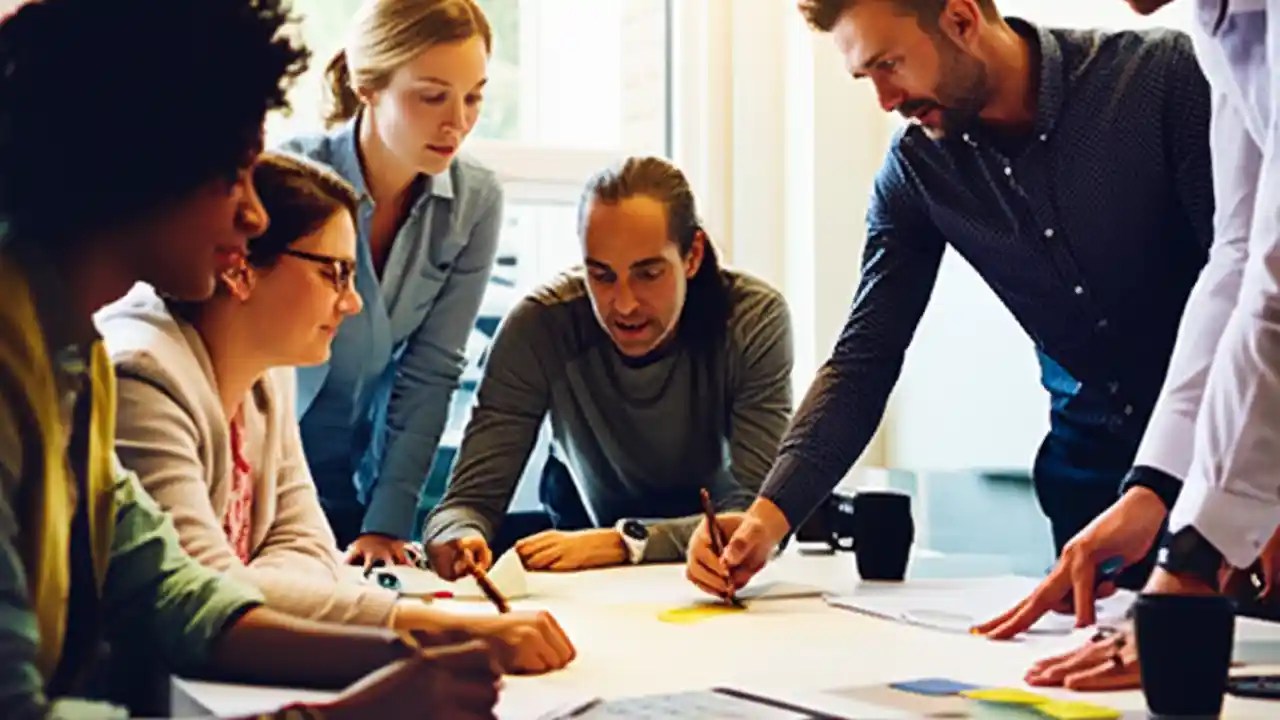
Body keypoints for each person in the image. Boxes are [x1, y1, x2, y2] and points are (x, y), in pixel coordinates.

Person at [0, 1, 501, 718]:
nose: (255, 215)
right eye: (232, 175)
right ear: (140, 159)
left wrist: (410, 650)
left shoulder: (72, 360)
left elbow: (175, 592)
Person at [685, 0, 1215, 601]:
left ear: (961, 19)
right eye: (867, 77)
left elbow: (1251, 288)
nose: (885, 99)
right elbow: (865, 359)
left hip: (1233, 472)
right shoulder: (916, 172)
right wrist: (765, 520)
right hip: (1091, 498)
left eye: (890, 64)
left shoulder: (1161, 80)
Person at [96, 152, 574, 676]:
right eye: (336, 274)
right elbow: (202, 593)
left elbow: (305, 542)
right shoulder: (141, 375)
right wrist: (426, 624)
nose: (353, 304)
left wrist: (256, 584)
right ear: (241, 269)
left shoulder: (268, 369)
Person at [977, 0, 1280, 691]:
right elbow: (1235, 260)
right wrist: (1154, 491)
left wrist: (1191, 560)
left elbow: (1277, 287)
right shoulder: (1222, 25)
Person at [423, 156, 793, 576]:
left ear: (692, 256)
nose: (624, 304)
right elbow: (464, 504)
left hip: (722, 573)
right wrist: (460, 535)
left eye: (648, 274)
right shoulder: (540, 325)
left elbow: (759, 517)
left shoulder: (752, 320)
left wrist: (627, 542)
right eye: (601, 275)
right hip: (583, 574)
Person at [279, 0, 503, 569]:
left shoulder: (475, 202)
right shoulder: (290, 181)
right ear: (368, 86)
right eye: (432, 95)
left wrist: (386, 523)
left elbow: (432, 370)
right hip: (266, 480)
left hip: (355, 489)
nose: (457, 122)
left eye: (473, 96)